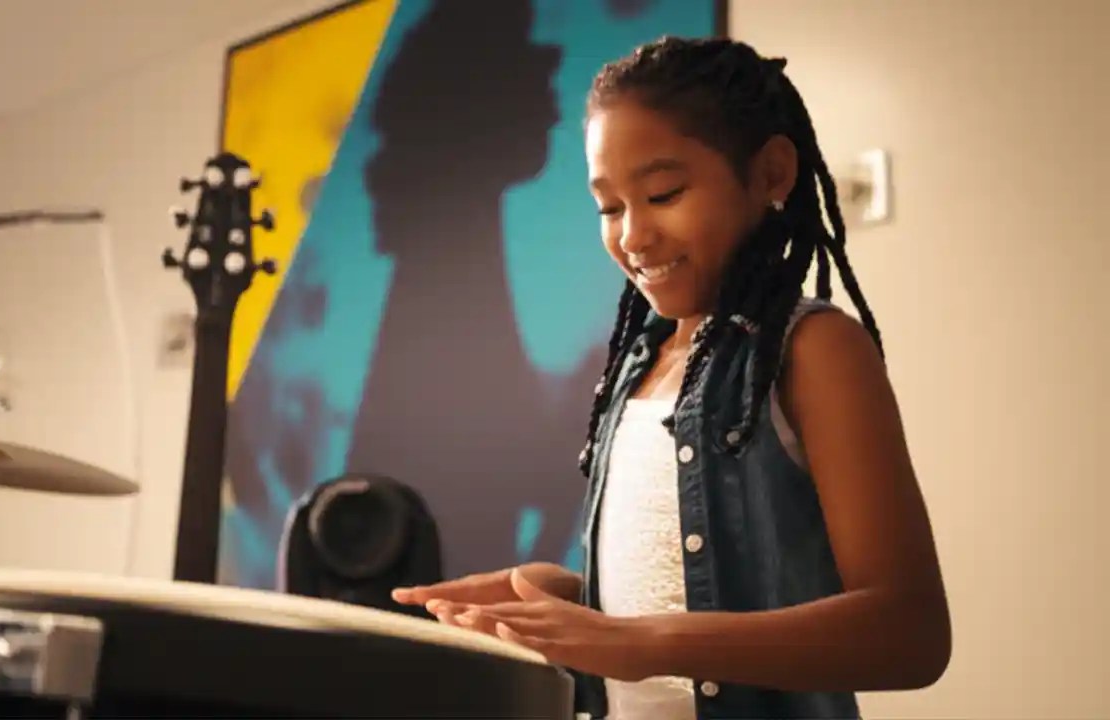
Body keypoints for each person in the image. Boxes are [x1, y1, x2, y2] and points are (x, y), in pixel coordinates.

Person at [392, 36, 952, 720]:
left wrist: (649, 641)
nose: (633, 235)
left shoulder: (813, 350)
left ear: (772, 174)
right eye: (609, 207)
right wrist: (562, 598)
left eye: (662, 193)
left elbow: (910, 634)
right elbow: (683, 594)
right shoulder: (634, 369)